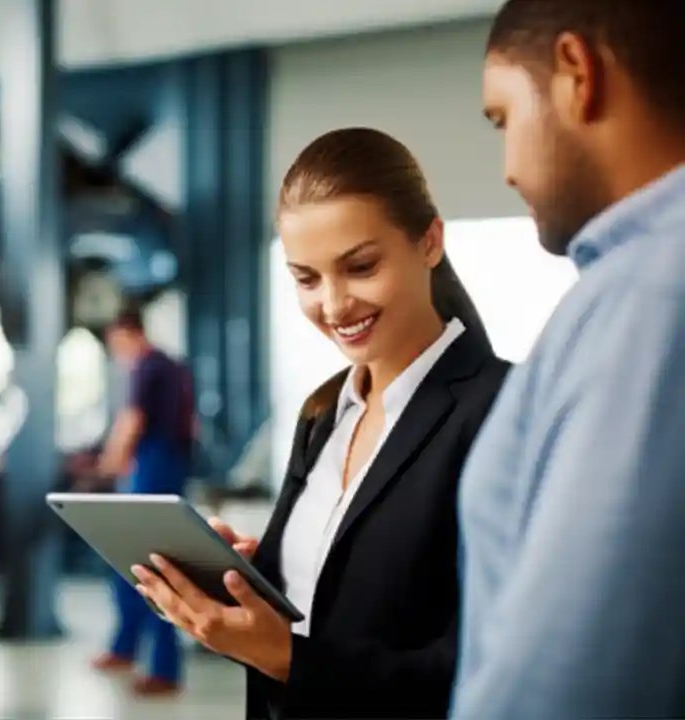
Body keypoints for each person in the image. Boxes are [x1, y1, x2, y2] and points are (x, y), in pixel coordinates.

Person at [133, 128, 510, 718]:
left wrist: (287, 656)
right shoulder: (324, 412)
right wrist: (242, 586)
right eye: (306, 278)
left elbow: (488, 669)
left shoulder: (504, 409)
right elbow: (327, 603)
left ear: (430, 241)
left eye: (360, 266)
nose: (333, 306)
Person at [451, 2, 685, 717]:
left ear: (577, 74)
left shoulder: (648, 294)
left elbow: (570, 678)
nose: (506, 169)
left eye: (503, 119)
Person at [90, 309, 194, 697]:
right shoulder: (171, 366)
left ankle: (163, 669)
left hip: (153, 468)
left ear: (128, 334)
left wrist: (107, 465)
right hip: (164, 466)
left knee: (147, 565)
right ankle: (125, 648)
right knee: (135, 563)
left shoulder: (149, 367)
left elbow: (131, 419)